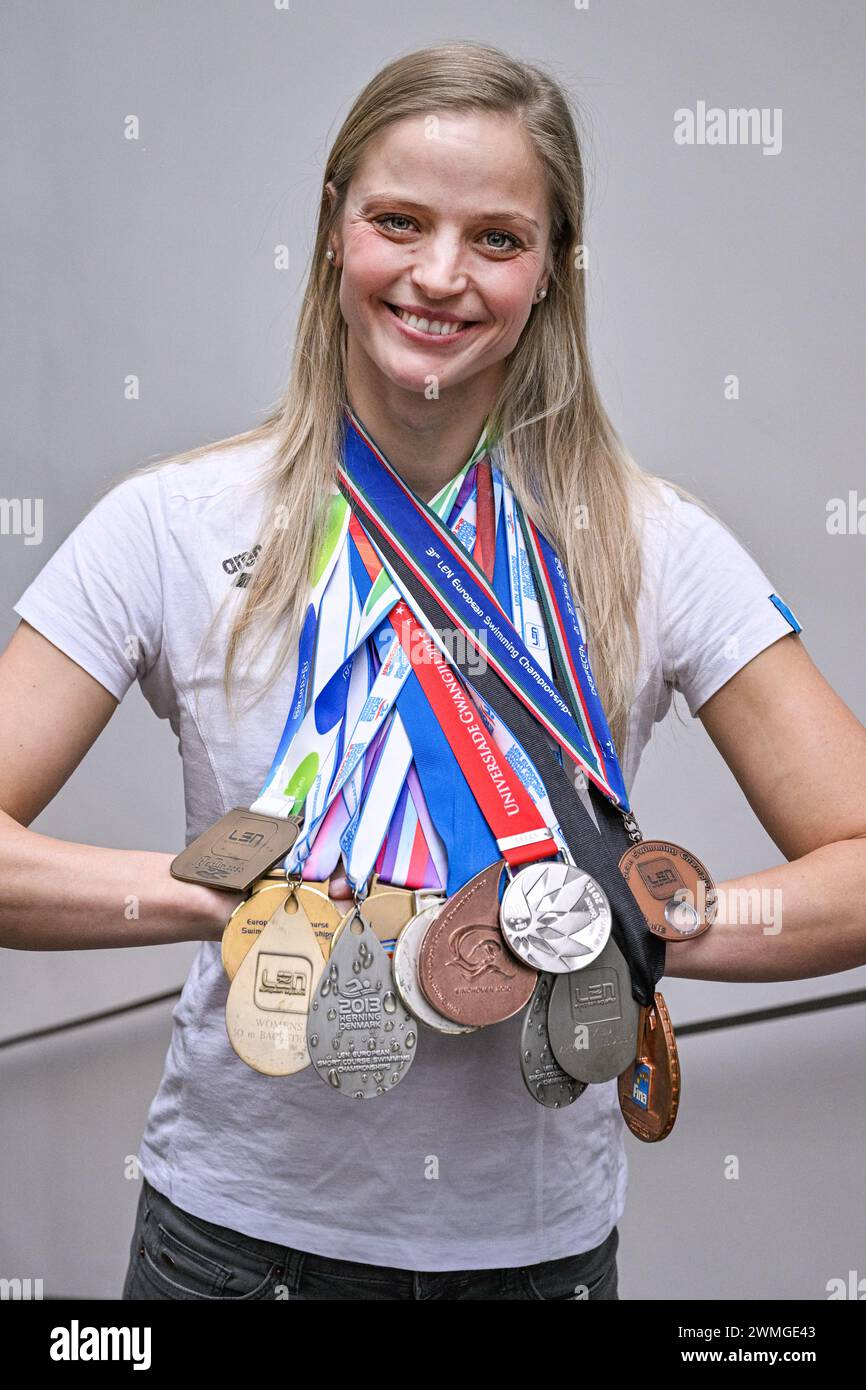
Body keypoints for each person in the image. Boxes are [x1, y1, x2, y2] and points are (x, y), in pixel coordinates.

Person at [1, 41, 864, 1303]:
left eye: (498, 239)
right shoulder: (169, 524)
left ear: (553, 274)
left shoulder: (652, 543)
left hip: (532, 1260)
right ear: (332, 235)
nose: (439, 276)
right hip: (232, 1249)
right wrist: (229, 893)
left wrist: (622, 927)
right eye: (398, 221)